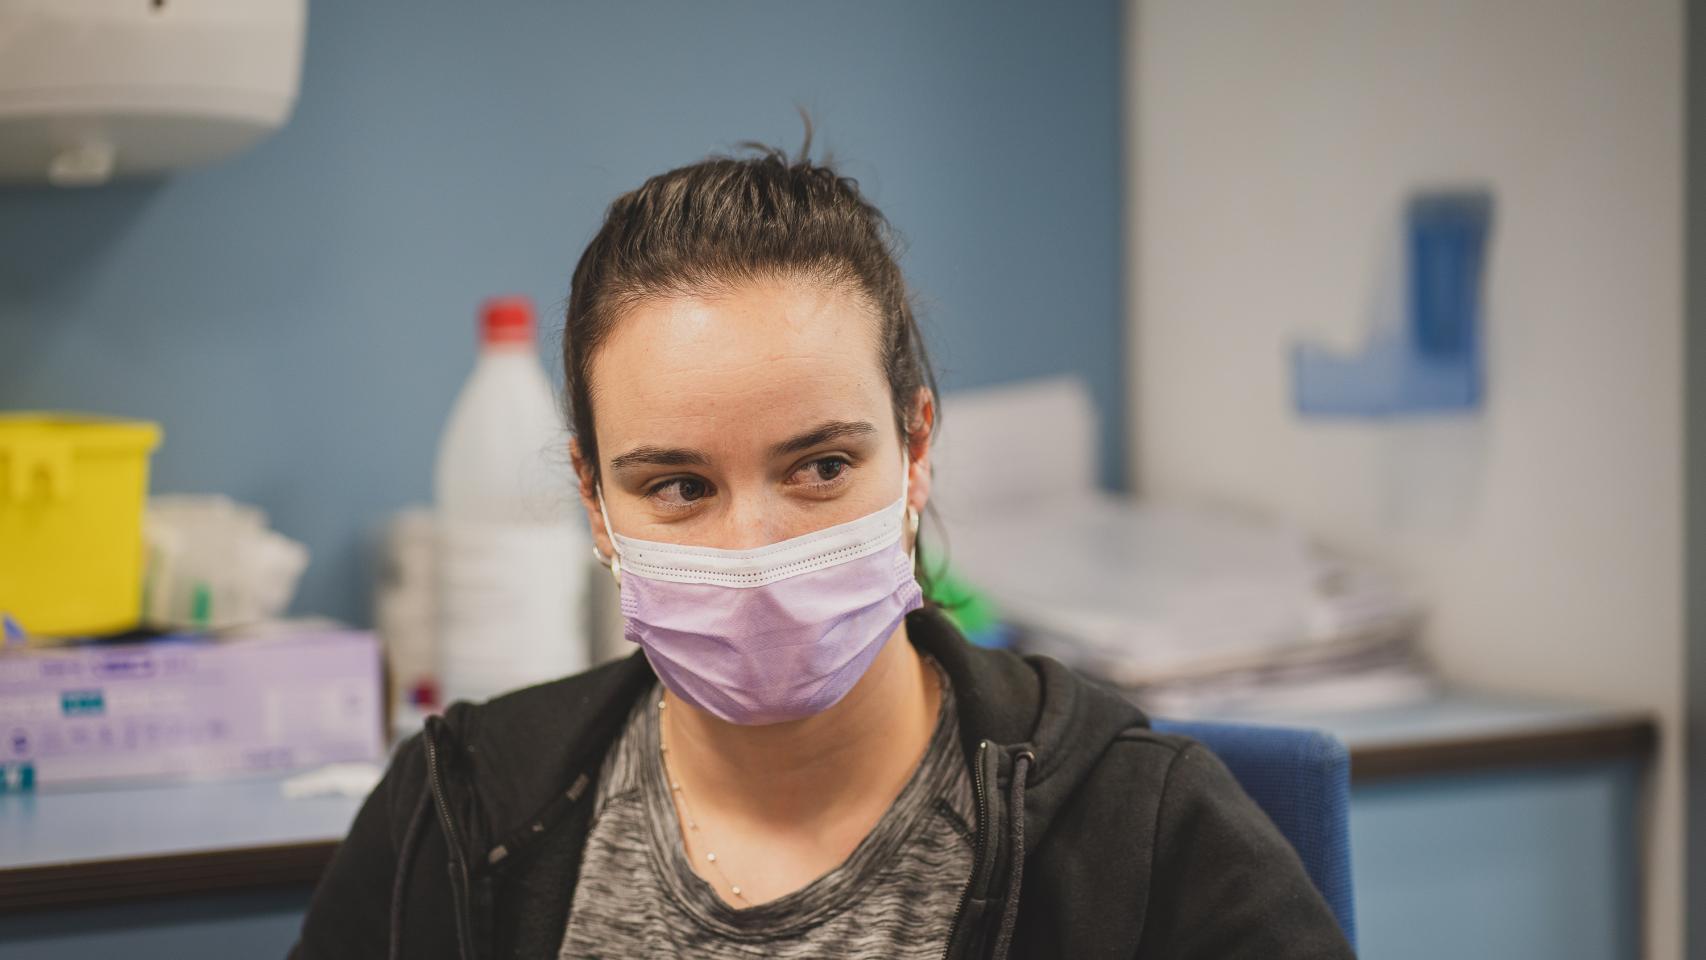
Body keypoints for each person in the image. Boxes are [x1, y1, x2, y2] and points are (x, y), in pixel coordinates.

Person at [291, 134, 1356, 960]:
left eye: (819, 467)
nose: (754, 547)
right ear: (592, 498)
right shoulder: (463, 810)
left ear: (917, 447)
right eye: (677, 485)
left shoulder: (1139, 829)